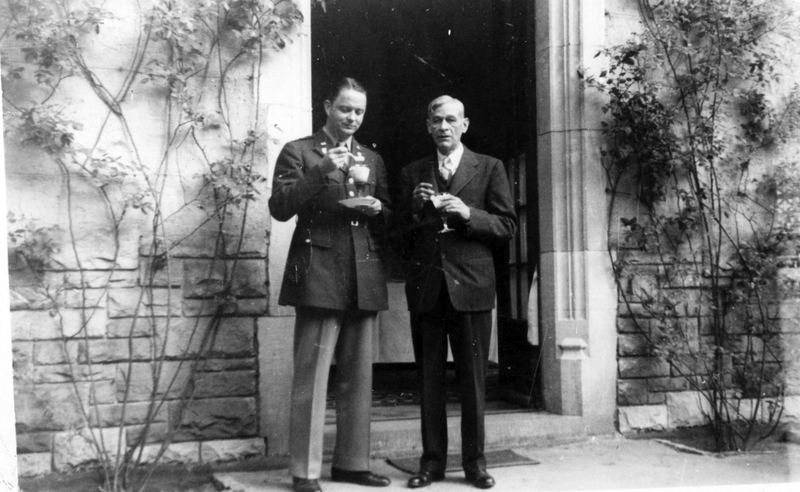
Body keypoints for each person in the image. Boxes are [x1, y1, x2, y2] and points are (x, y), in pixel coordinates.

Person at [269, 77, 392, 492]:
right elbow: (281, 208)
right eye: (345, 109)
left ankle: (352, 464)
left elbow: (389, 215)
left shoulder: (372, 158)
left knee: (358, 377)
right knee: (312, 376)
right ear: (327, 107)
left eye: (358, 111)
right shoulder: (299, 152)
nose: (352, 117)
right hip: (318, 271)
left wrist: (378, 208)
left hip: (363, 272)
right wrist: (324, 169)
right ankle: (305, 472)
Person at [397, 96, 516, 489]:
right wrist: (415, 211)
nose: (444, 126)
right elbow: (395, 238)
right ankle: (431, 464)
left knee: (474, 383)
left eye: (451, 119)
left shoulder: (490, 168)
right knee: (429, 382)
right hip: (429, 289)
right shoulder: (413, 173)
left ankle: (475, 465)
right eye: (436, 120)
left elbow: (506, 227)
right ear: (428, 126)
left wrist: (468, 214)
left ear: (464, 125)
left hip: (473, 289)